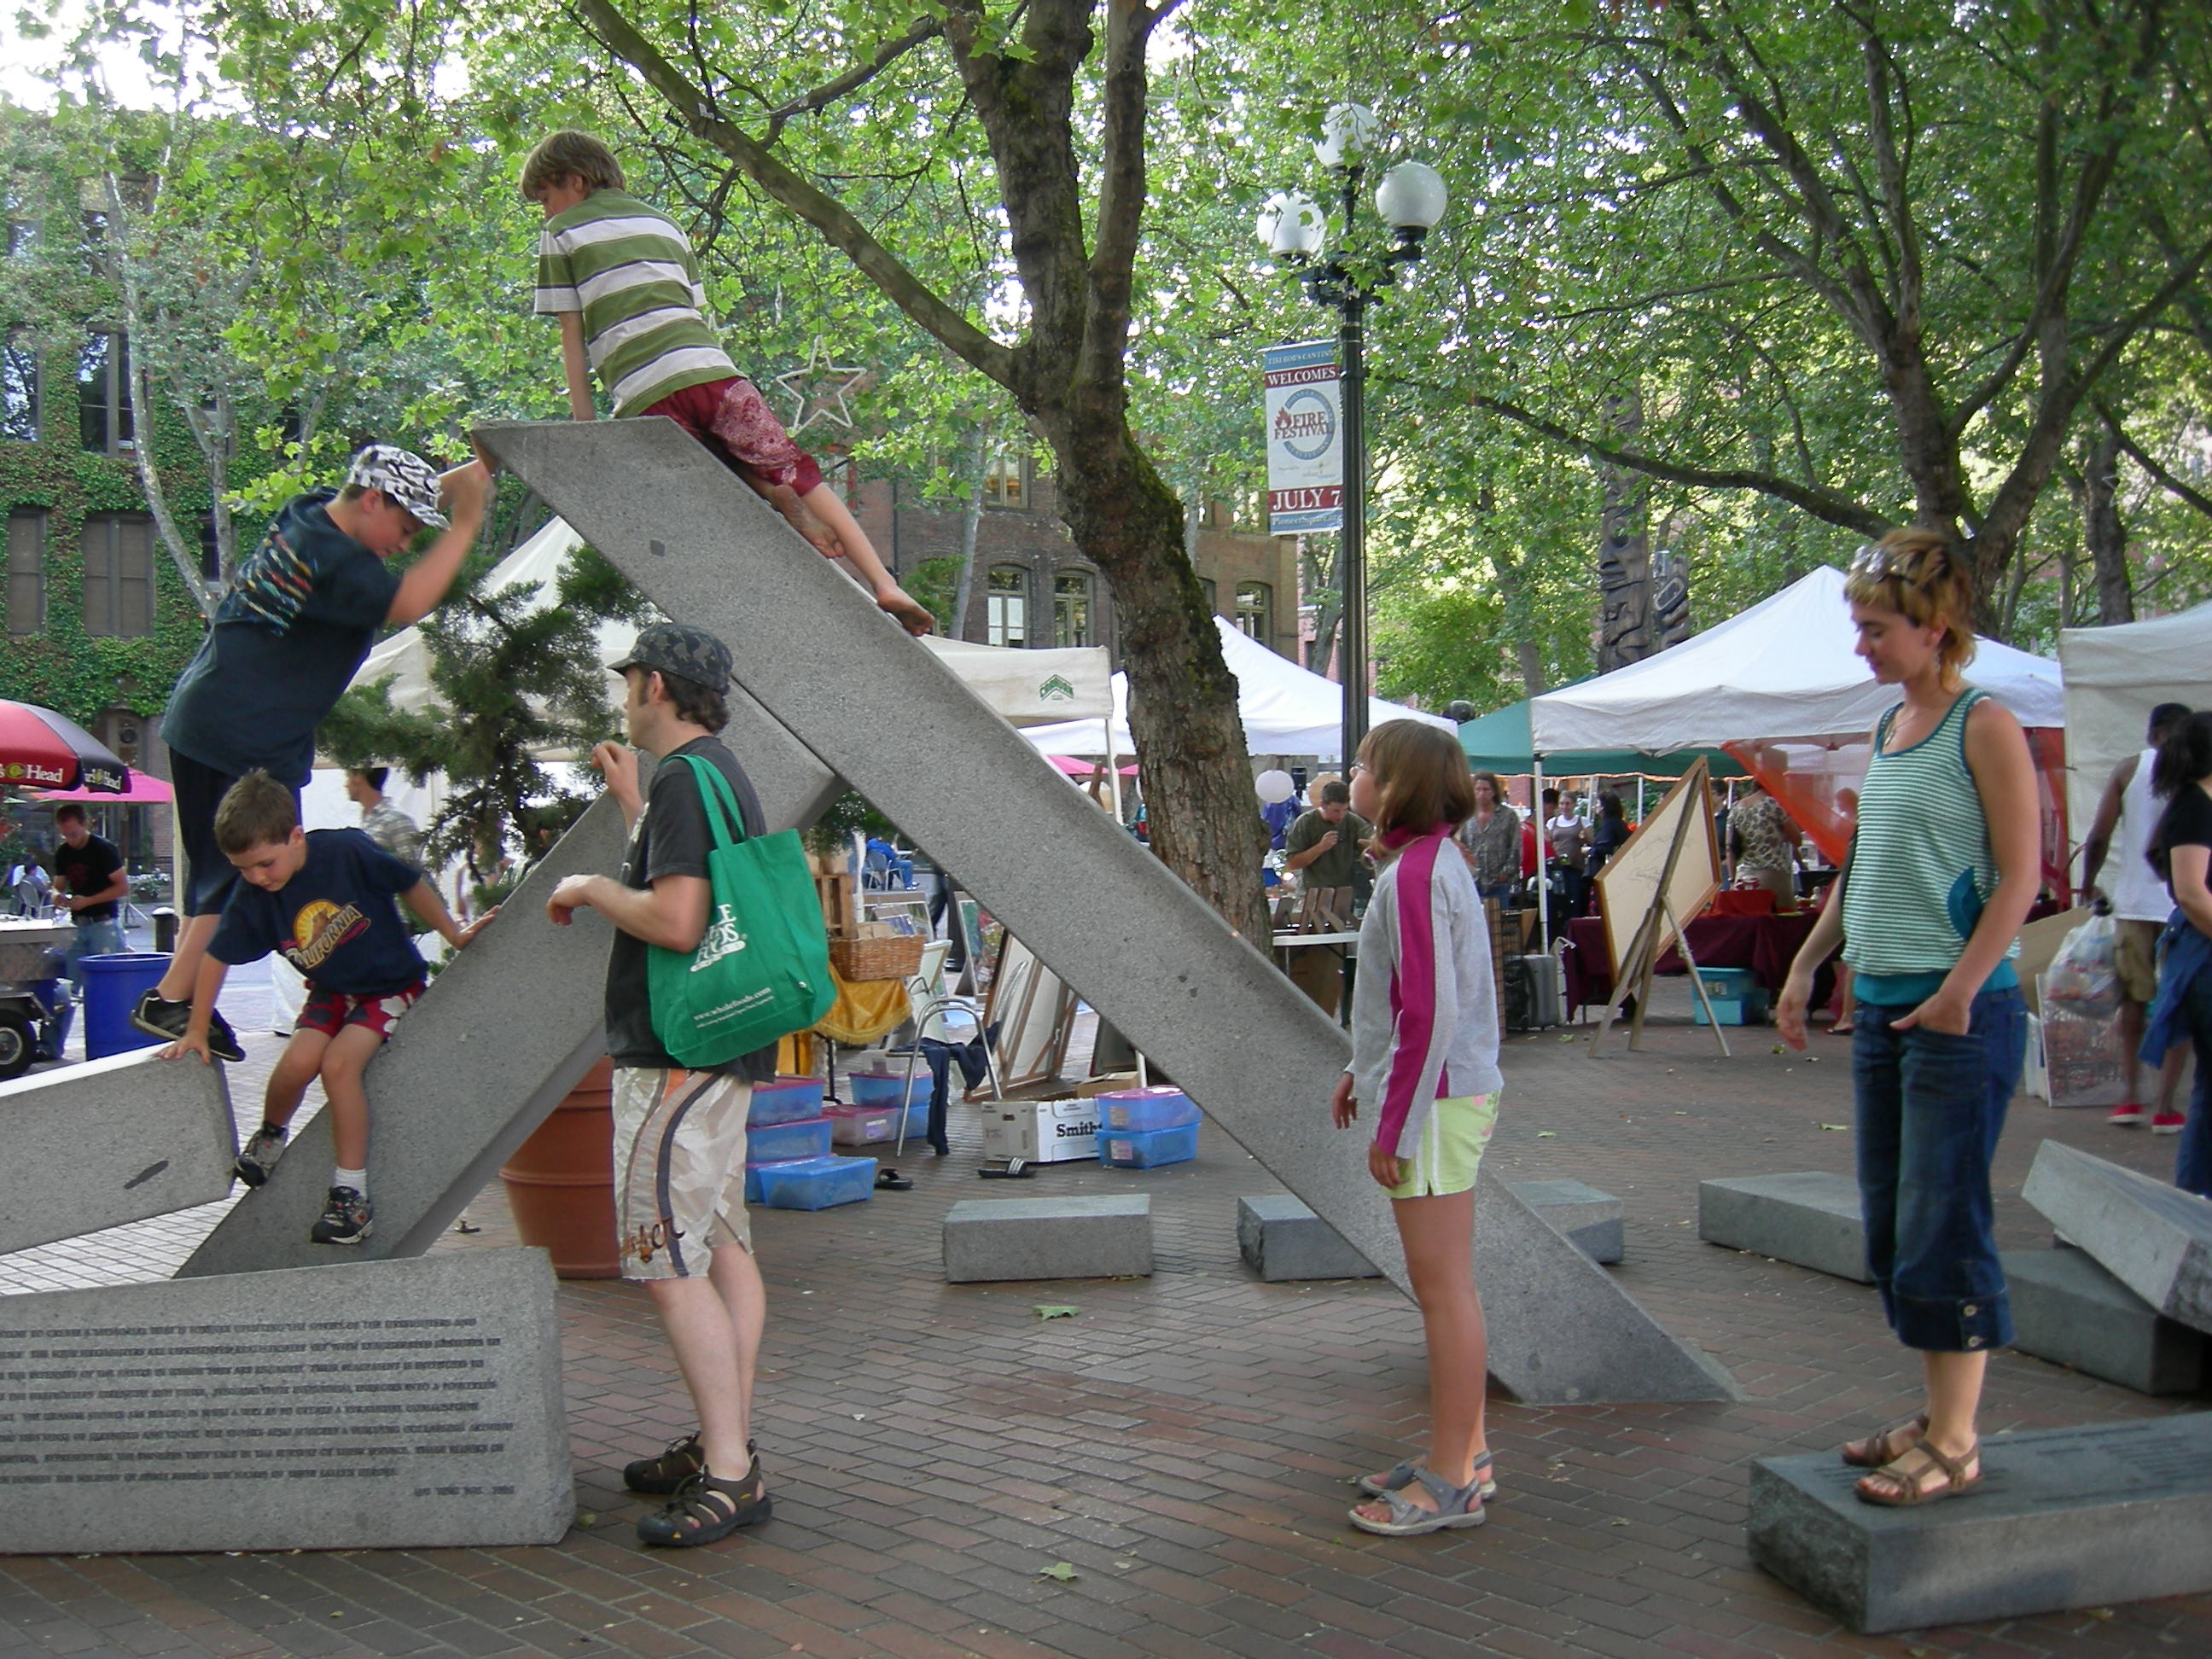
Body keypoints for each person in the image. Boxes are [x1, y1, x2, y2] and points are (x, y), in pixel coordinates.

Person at [1777, 529, 2038, 1507]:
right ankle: (1935, 1420)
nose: (1863, 647)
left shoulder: (1986, 725)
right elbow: (1866, 869)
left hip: (1957, 1020)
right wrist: (1807, 966)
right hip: (1889, 1015)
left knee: (1942, 1221)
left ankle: (1958, 1439)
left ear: (1936, 630)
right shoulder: (1892, 730)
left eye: (1876, 629)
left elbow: (2022, 879)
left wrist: (1962, 990)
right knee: (1893, 1228)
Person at [134, 445, 488, 1060]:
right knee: (247, 872)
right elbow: (408, 603)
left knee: (213, 878)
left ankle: (184, 998)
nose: (403, 545)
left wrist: (480, 471)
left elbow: (400, 507)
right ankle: (171, 999)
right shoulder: (337, 562)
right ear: (373, 501)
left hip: (200, 720)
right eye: (404, 530)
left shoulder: (307, 517)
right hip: (246, 735)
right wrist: (466, 522)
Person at [544, 622, 778, 1548]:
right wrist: (632, 806)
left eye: (631, 679)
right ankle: (724, 1444)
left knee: (667, 1261)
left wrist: (592, 885)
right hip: (727, 1049)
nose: (626, 694)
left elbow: (679, 923)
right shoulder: (714, 775)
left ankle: (730, 1472)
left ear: (654, 684)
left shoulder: (688, 780)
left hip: (675, 1057)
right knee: (724, 1249)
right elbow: (702, 892)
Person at [521, 131, 932, 638]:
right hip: (714, 371)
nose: (544, 212)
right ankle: (883, 583)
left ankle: (763, 493)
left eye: (544, 198)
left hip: (644, 390)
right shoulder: (667, 225)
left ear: (573, 180)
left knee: (705, 481)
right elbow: (690, 308)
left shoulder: (562, 231)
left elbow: (573, 333)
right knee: (794, 468)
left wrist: (585, 428)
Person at [161, 772, 491, 1245]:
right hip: (331, 992)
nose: (257, 877)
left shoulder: (346, 851)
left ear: (296, 836)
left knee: (339, 1066)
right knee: (296, 1063)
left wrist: (454, 933)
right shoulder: (254, 894)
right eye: (244, 869)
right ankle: (271, 1136)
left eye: (265, 863)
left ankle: (350, 1197)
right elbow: (216, 956)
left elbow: (409, 882)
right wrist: (196, 1030)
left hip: (390, 986)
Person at [1332, 720, 1502, 1535]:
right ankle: (1463, 1454)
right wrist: (1360, 1076)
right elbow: (1410, 1004)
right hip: (1443, 1096)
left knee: (1443, 1294)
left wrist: (1390, 1127)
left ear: (1394, 785)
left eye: (1364, 765)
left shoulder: (1417, 873)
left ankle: (1451, 1480)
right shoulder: (1428, 865)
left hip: (1435, 1104)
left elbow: (1427, 1013)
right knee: (1450, 1290)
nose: (1353, 774)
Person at [2081, 703, 2193, 1132]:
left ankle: (2129, 1099)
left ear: (2152, 735)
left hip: (2133, 904)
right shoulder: (2200, 771)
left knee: (2133, 1001)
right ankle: (2166, 1105)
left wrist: (2089, 883)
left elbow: (2100, 835)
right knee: (2178, 1001)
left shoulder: (2129, 769)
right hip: (2187, 904)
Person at [2138, 711, 2212, 1195]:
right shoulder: (2194, 808)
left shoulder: (2196, 804)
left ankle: (2196, 1197)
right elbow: (2190, 891)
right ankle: (2196, 1198)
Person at [47, 803, 127, 1056]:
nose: (70, 840)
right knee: (67, 988)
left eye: (74, 834)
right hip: (77, 925)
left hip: (103, 923)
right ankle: (50, 1045)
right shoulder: (64, 853)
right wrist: (56, 895)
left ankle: (111, 1043)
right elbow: (57, 885)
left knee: (105, 987)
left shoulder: (103, 849)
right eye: (65, 835)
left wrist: (89, 900)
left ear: (86, 825)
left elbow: (122, 887)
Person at [1283, 780, 1372, 897]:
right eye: (1336, 811)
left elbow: (1373, 843)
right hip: (1312, 894)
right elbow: (1292, 863)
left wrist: (1371, 847)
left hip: (1343, 894)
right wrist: (1320, 847)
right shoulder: (1305, 823)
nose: (1341, 816)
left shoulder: (1353, 821)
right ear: (1323, 805)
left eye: (1345, 810)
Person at [1729, 783, 1802, 904]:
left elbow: (1730, 848)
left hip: (1743, 876)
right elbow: (1797, 840)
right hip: (1772, 874)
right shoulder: (1773, 804)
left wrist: (1732, 880)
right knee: (1783, 917)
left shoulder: (1736, 808)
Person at [1456, 771, 1522, 901]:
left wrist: (1505, 874)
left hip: (1499, 883)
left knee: (1498, 920)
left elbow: (1516, 847)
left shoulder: (1508, 816)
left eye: (1486, 789)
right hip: (1473, 883)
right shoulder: (1466, 817)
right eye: (1478, 789)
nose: (1482, 794)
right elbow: (1461, 847)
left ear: (1493, 791)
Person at [346, 767, 426, 868]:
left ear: (359, 778)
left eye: (348, 778)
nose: (346, 785)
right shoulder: (366, 818)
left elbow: (413, 869)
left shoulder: (397, 820)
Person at [1545, 789, 1590, 917]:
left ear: (1574, 804)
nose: (1564, 807)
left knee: (1574, 896)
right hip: (1557, 866)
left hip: (1575, 865)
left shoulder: (1583, 821)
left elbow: (1591, 841)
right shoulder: (1553, 822)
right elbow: (1548, 842)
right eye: (1562, 803)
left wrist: (1583, 838)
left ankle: (1573, 923)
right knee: (1558, 897)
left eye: (1567, 803)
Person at [1588, 790, 1631, 875]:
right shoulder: (1618, 823)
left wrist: (1590, 850)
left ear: (1603, 806)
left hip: (1607, 870)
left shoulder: (1609, 825)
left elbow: (1606, 848)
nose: (1595, 806)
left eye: (1598, 803)